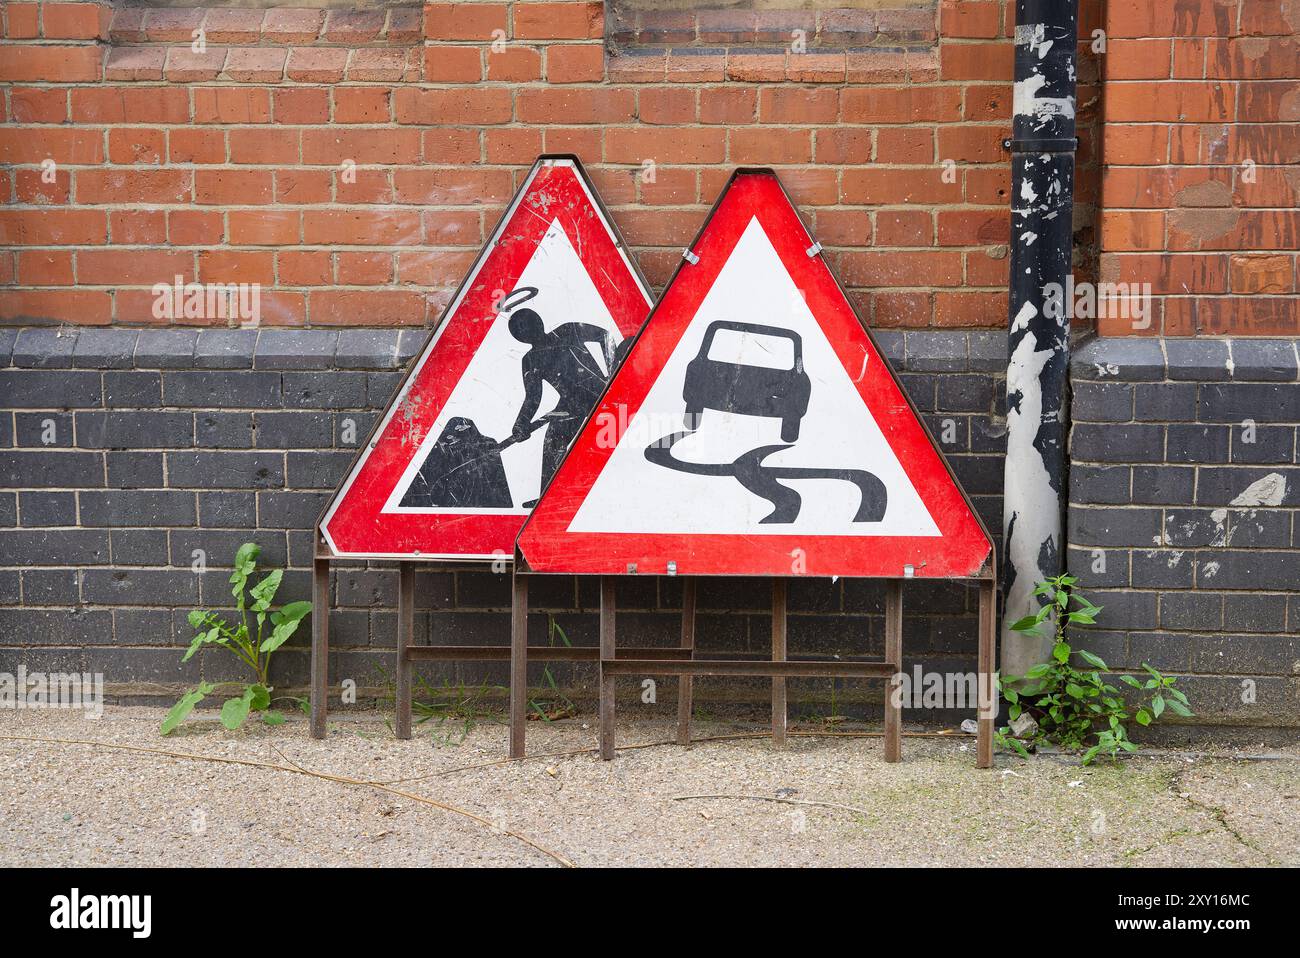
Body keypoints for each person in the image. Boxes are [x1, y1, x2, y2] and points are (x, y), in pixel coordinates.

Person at [508, 307, 618, 505]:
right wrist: (521, 424)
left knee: (604, 443)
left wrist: (613, 374)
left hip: (599, 392)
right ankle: (548, 497)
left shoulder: (567, 331)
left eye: (529, 324)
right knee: (553, 441)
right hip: (570, 402)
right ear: (519, 338)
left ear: (539, 321)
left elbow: (605, 335)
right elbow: (533, 397)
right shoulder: (530, 359)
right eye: (521, 330)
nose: (527, 331)